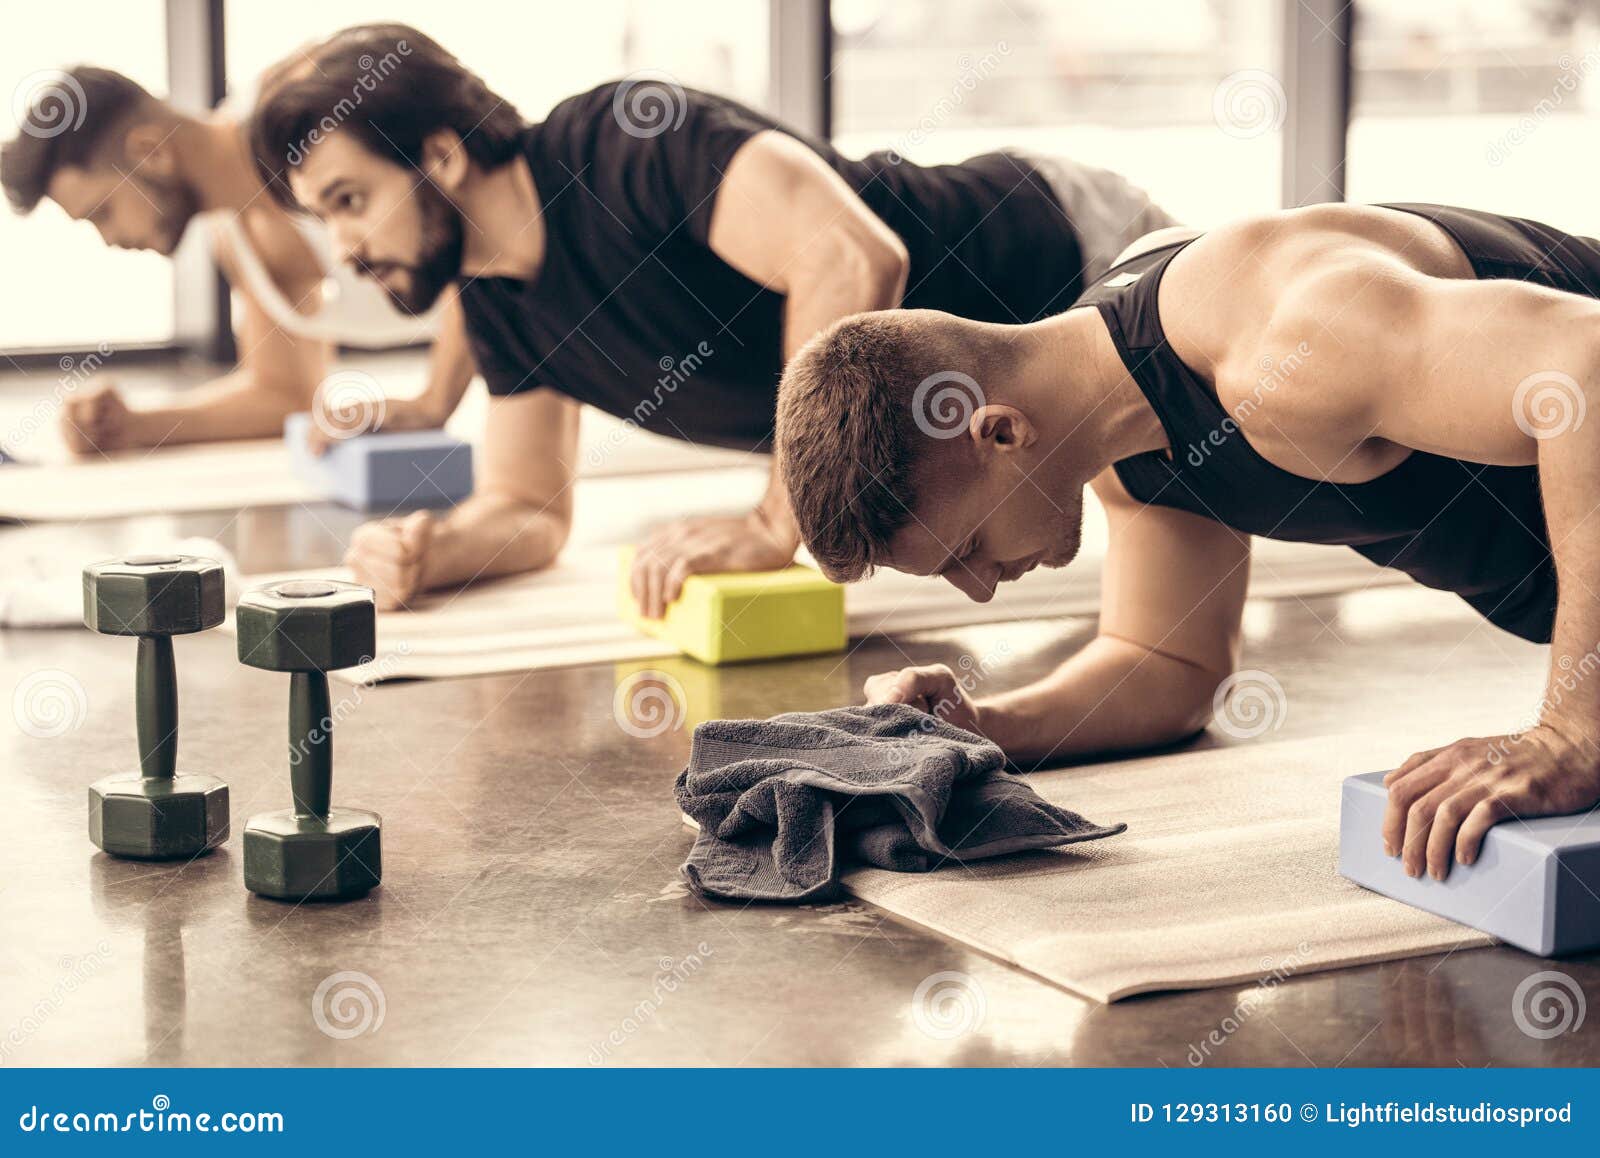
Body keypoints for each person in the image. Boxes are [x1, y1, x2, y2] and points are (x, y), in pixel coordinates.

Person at [775, 199, 1600, 881]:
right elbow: (1168, 666)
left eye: (964, 552)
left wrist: (1572, 730)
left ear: (998, 434)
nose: (981, 589)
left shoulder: (1286, 342)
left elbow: (1585, 369)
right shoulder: (1119, 429)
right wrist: (984, 726)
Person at [245, 23, 1174, 613]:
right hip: (999, 412)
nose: (345, 246)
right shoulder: (495, 306)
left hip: (1072, 256)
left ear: (439, 156)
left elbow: (851, 255)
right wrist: (432, 550)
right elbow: (530, 508)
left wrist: (779, 521)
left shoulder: (621, 141)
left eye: (349, 201)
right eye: (323, 219)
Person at [0, 66, 474, 455]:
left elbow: (479, 216)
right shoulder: (232, 238)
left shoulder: (303, 101)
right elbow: (284, 392)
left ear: (150, 153)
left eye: (102, 212)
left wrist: (435, 400)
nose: (109, 239)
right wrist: (134, 426)